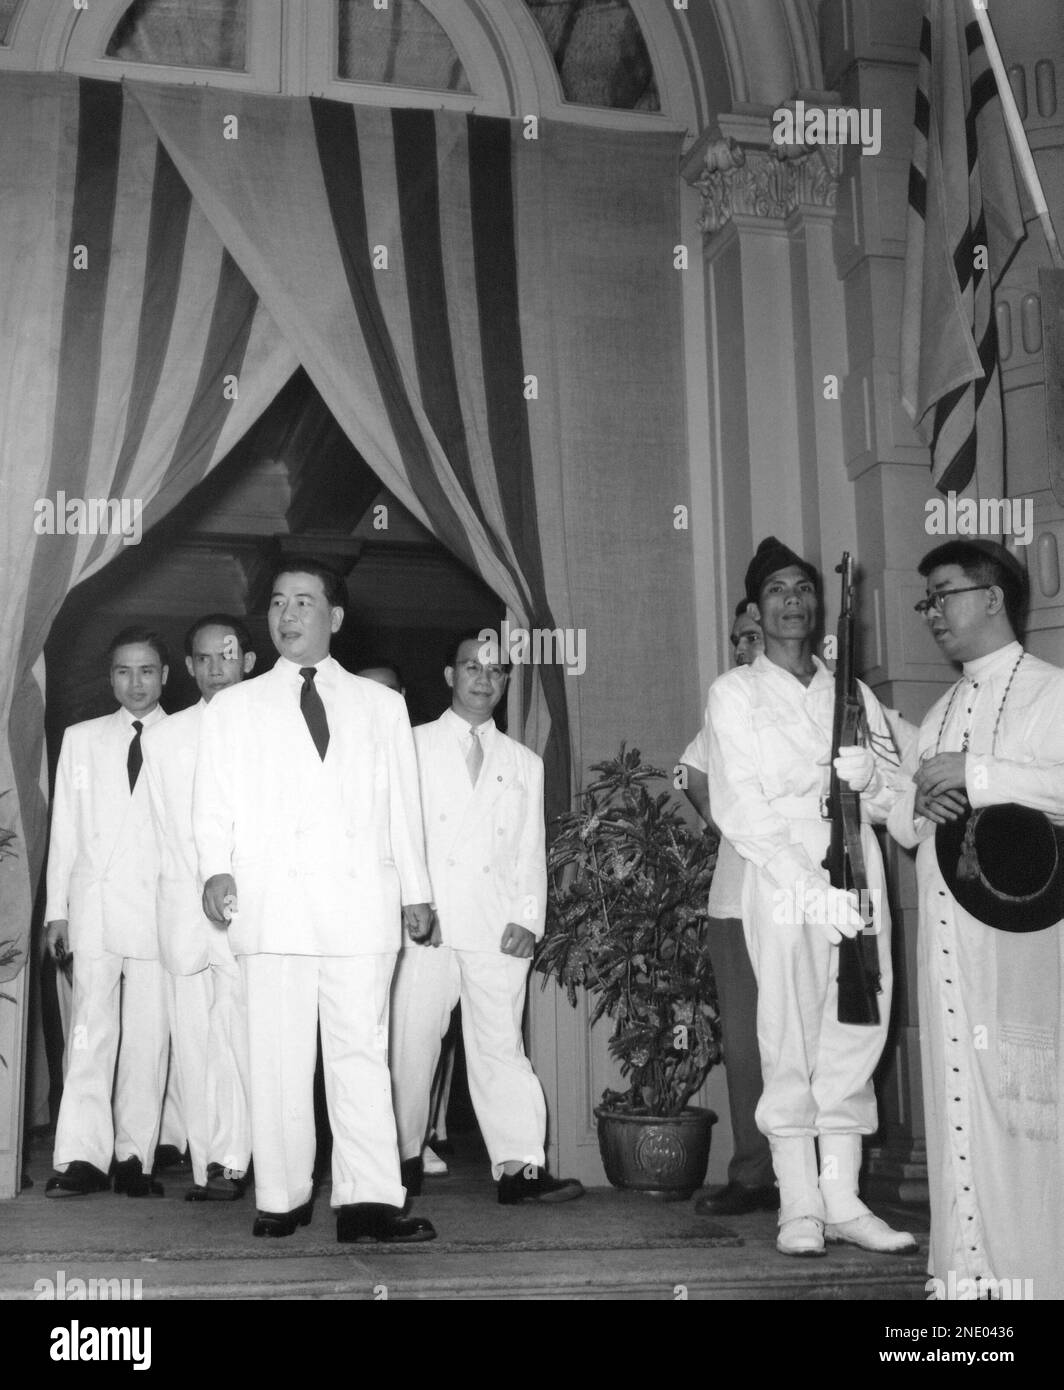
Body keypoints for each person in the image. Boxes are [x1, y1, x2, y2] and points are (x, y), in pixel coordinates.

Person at [193, 558, 436, 1243]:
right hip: (272, 906)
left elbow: (403, 810)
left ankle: (369, 1201)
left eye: (304, 602)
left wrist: (417, 891)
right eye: (277, 602)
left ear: (333, 618)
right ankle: (281, 1193)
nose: (288, 614)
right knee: (277, 1055)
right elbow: (210, 803)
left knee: (361, 1051)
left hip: (361, 905)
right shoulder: (234, 706)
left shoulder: (380, 704)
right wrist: (215, 871)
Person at [706, 538, 916, 1256]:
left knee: (859, 1023)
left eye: (802, 589)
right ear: (757, 609)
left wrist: (873, 783)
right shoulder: (734, 692)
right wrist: (807, 888)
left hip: (857, 864)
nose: (792, 600)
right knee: (788, 1029)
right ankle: (798, 1201)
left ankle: (844, 1197)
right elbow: (740, 806)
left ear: (817, 605)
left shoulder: (851, 694)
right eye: (777, 591)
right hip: (785, 876)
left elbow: (901, 809)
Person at [887, 539, 1064, 1300]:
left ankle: (1036, 1283)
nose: (932, 614)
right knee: (956, 1104)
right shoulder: (940, 710)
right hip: (949, 947)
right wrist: (913, 801)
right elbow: (904, 824)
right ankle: (968, 1288)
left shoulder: (1050, 694)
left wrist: (978, 774)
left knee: (1027, 1116)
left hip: (1021, 953)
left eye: (944, 595)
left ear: (994, 598)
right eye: (926, 600)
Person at [390, 631, 584, 1204]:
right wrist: (408, 902)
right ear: (450, 675)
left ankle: (521, 1168)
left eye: (495, 670)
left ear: (506, 682)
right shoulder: (411, 745)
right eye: (471, 667)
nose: (483, 678)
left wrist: (529, 916)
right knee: (412, 1043)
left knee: (501, 1046)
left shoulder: (522, 761)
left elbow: (530, 847)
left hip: (496, 925)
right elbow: (396, 835)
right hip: (426, 924)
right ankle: (399, 1162)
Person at [44, 628, 171, 1198]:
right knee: (90, 1032)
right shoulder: (82, 739)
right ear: (110, 677)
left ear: (167, 675)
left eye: (146, 671)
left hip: (157, 908)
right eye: (123, 671)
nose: (135, 683)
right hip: (93, 905)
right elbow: (65, 830)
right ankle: (80, 1157)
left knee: (148, 1036)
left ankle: (133, 1157)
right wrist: (56, 911)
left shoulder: (189, 735)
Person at [141, 614, 257, 1202]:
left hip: (247, 912)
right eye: (204, 659)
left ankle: (236, 1161)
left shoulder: (269, 729)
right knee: (193, 1044)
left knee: (239, 1039)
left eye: (227, 656)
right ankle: (208, 1166)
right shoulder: (161, 737)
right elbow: (161, 832)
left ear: (249, 662)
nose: (216, 669)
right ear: (187, 668)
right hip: (184, 915)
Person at [681, 600, 776, 1216]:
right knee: (745, 1045)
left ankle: (824, 1176)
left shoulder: (826, 696)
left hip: (807, 899)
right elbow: (688, 772)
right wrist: (738, 830)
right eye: (741, 638)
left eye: (758, 635)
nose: (749, 648)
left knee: (816, 1041)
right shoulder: (729, 702)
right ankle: (754, 1174)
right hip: (737, 901)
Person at [357, 661, 454, 1181]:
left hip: (411, 914)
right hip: (351, 917)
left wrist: (423, 900)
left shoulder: (417, 747)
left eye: (386, 693)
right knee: (360, 1040)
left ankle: (410, 1141)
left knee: (414, 1036)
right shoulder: (334, 750)